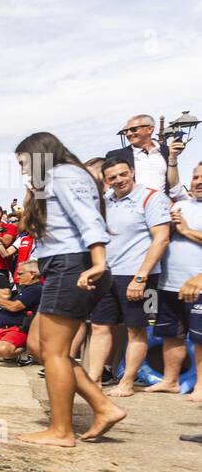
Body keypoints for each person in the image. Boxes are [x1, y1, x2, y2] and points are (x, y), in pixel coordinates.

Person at [14, 131, 125, 446]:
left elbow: (88, 219)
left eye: (24, 163)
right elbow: (42, 228)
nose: (22, 169)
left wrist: (99, 262)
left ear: (39, 155)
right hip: (60, 266)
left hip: (74, 266)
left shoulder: (64, 175)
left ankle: (61, 430)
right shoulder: (49, 182)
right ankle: (103, 406)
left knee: (56, 353)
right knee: (37, 344)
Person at [84, 158, 172, 397]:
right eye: (112, 177)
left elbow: (161, 238)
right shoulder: (107, 202)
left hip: (138, 275)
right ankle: (94, 380)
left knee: (136, 329)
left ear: (132, 172)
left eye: (123, 174)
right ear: (106, 180)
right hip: (107, 274)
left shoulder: (151, 197)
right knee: (100, 327)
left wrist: (141, 278)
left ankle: (127, 382)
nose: (119, 180)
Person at [149, 163, 202, 397]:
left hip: (197, 284)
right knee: (171, 335)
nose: (198, 181)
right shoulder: (180, 205)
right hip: (169, 282)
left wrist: (188, 231)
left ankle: (201, 386)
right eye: (196, 176)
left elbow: (186, 232)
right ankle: (170, 381)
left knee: (200, 339)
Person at [105, 114, 173, 197]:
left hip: (162, 206)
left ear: (150, 129)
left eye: (133, 129)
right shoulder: (116, 155)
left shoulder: (167, 151)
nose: (128, 134)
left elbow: (173, 183)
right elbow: (109, 185)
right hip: (132, 206)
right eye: (126, 131)